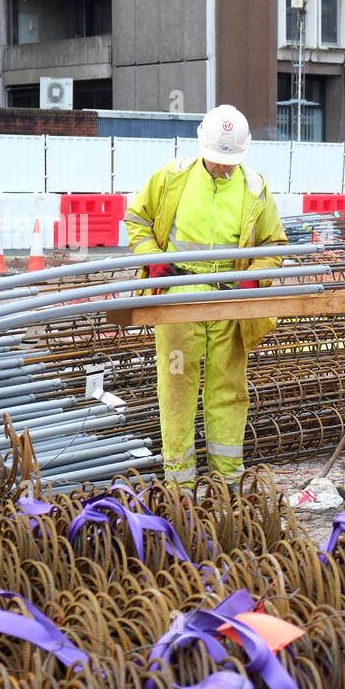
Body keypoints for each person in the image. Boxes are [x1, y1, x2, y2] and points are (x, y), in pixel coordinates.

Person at [123, 104, 287, 490]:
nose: (224, 168)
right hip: (179, 304)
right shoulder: (171, 179)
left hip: (230, 305)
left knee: (228, 391)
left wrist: (253, 279)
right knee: (177, 386)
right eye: (218, 161)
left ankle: (226, 480)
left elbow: (273, 245)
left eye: (230, 162)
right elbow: (136, 219)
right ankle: (180, 485)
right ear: (202, 149)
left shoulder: (255, 189)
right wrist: (154, 261)